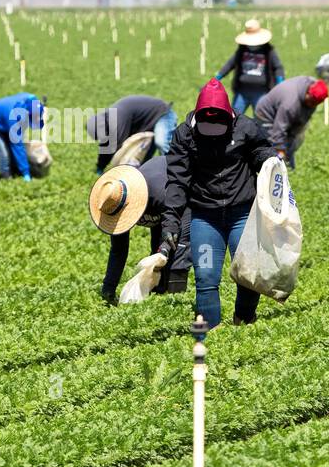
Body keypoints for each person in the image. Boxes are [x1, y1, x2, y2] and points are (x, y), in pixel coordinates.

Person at [159, 80, 280, 328]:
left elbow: (261, 151)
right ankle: (211, 333)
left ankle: (243, 320)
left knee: (247, 274)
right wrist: (170, 222)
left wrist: (267, 161)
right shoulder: (184, 135)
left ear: (229, 118)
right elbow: (177, 181)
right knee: (205, 278)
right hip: (205, 217)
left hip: (242, 214)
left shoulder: (246, 127)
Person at [89, 154, 191, 304]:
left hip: (185, 193)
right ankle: (158, 291)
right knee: (157, 254)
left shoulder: (159, 193)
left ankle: (176, 299)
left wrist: (164, 249)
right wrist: (108, 288)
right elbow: (119, 250)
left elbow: (178, 220)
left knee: (177, 253)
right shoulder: (115, 205)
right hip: (159, 204)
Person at [253, 76, 329, 169]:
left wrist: (290, 140)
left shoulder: (313, 84)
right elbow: (279, 130)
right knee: (271, 148)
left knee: (290, 144)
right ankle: (268, 170)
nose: (312, 105)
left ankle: (289, 170)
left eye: (316, 104)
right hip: (266, 115)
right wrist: (280, 150)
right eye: (312, 102)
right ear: (308, 92)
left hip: (285, 115)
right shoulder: (290, 104)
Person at [87, 95, 176, 172]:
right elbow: (106, 145)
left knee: (162, 142)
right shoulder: (106, 122)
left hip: (162, 114)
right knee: (143, 164)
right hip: (147, 124)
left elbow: (120, 147)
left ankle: (177, 169)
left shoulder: (117, 119)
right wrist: (100, 167)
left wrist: (120, 169)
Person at [214, 19, 285, 116]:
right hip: (242, 92)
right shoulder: (242, 49)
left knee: (261, 120)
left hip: (261, 92)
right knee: (233, 117)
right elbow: (230, 64)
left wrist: (280, 84)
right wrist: (217, 78)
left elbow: (278, 67)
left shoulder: (268, 51)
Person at [0, 92, 45, 181]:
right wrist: (26, 172)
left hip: (4, 119)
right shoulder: (14, 115)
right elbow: (17, 144)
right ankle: (5, 177)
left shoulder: (32, 100)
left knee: (13, 150)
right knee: (4, 153)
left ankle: (17, 172)